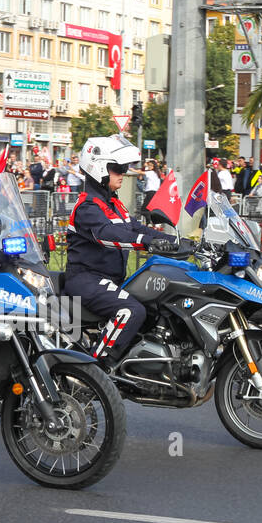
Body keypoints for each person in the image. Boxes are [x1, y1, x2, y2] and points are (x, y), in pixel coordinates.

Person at [63, 135, 179, 366]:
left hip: (111, 280)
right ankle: (94, 369)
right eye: (117, 168)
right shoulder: (87, 207)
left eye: (124, 168)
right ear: (98, 169)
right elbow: (109, 235)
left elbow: (136, 228)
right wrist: (146, 243)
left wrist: (177, 241)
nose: (123, 173)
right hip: (87, 280)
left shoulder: (114, 205)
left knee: (158, 305)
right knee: (131, 310)